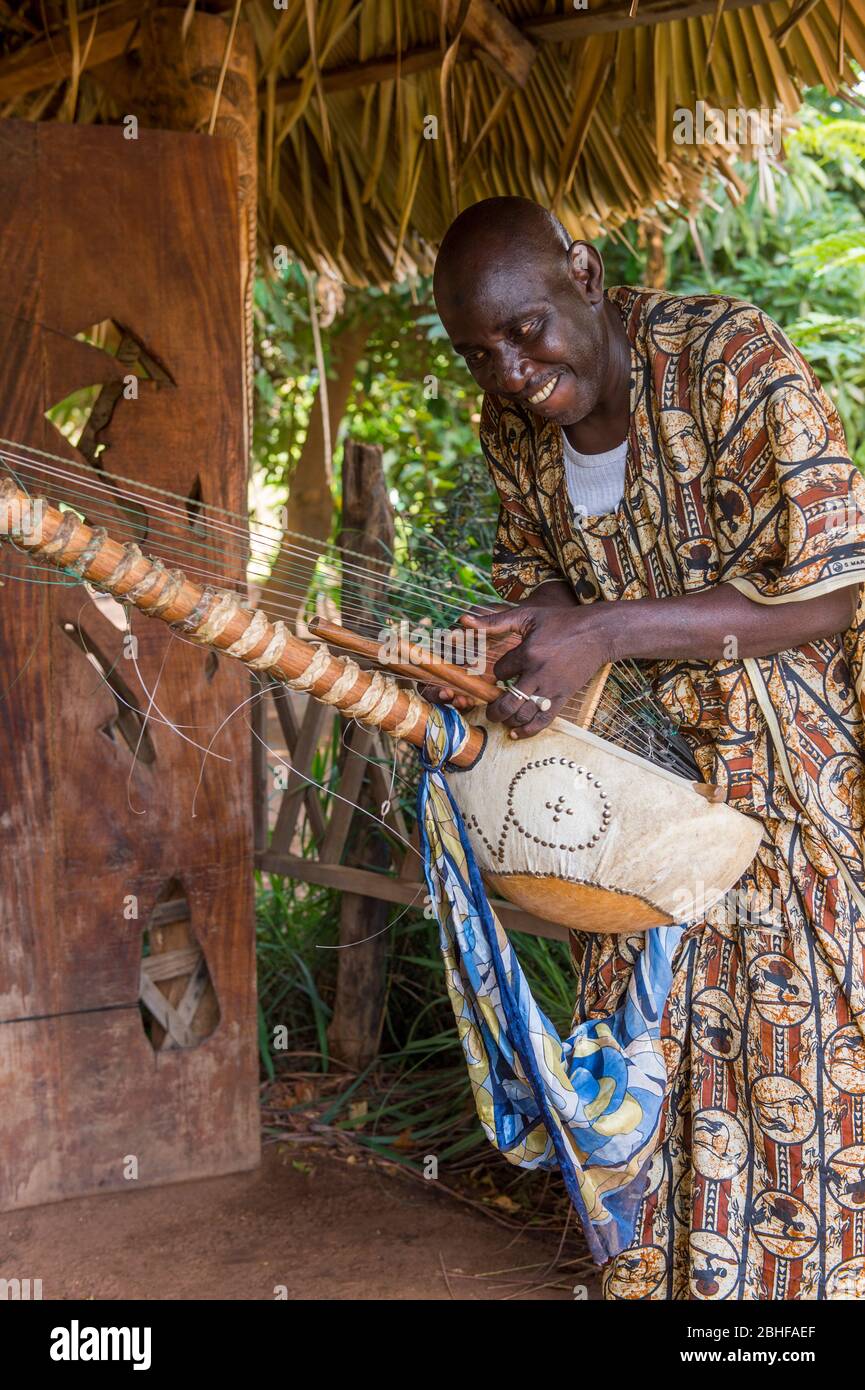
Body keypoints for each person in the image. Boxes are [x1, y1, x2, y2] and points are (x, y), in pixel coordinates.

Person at [430, 195, 865, 1300]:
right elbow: (546, 578)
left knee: (795, 1091)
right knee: (646, 1083)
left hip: (781, 802)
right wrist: (534, 643)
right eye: (479, 354)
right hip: (629, 814)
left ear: (583, 272)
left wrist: (601, 632)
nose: (510, 372)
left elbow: (834, 591)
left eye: (523, 329)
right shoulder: (512, 429)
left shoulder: (727, 357)